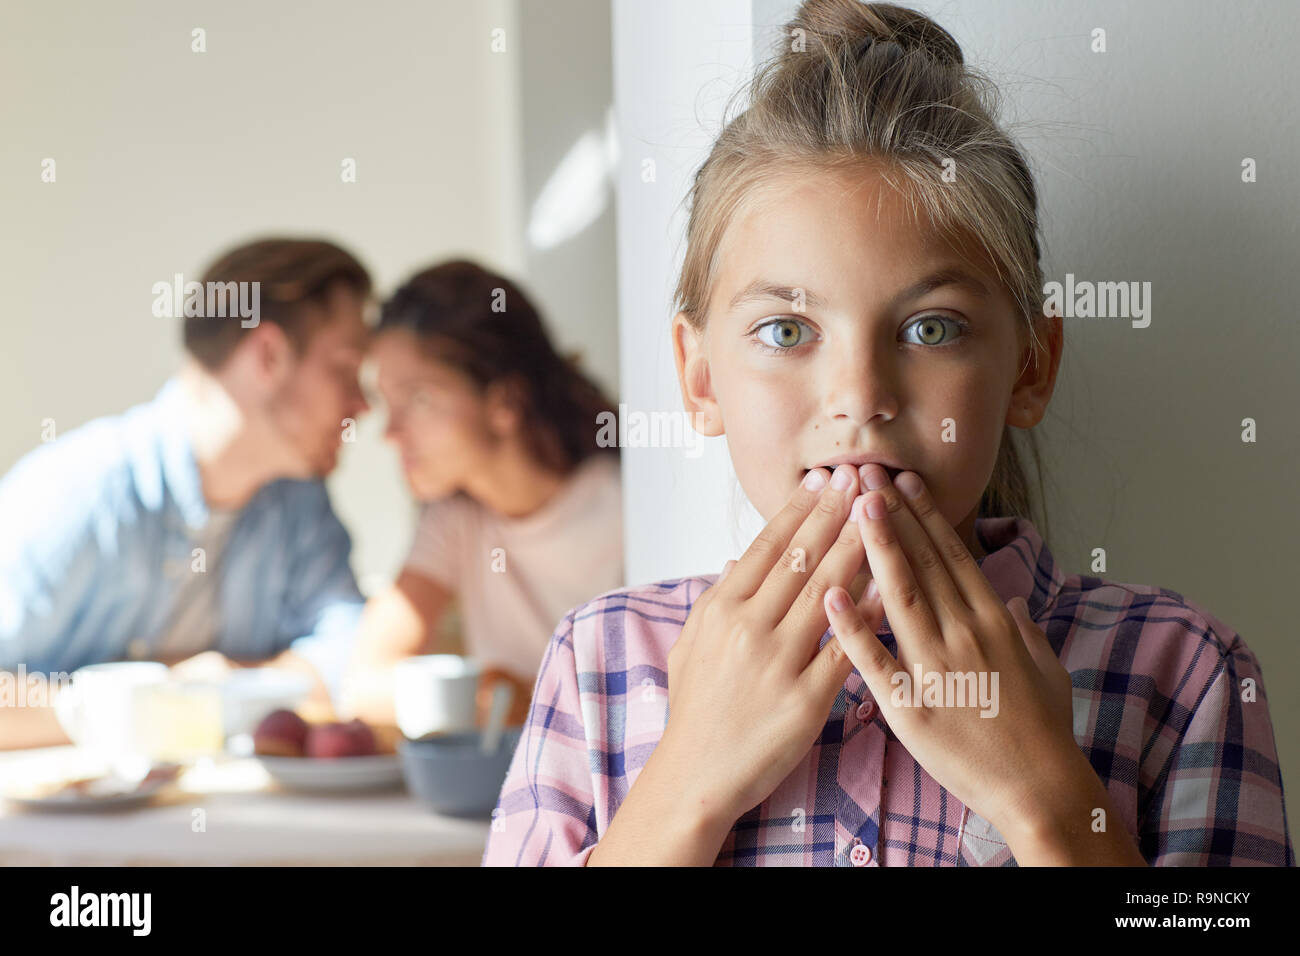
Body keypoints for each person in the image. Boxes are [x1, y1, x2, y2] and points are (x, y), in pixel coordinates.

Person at [482, 0, 1293, 866]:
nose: (861, 398)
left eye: (931, 328)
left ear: (1030, 366)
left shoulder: (1186, 673)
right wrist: (686, 786)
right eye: (786, 332)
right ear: (700, 377)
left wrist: (1048, 801)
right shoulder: (600, 665)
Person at [0, 237, 373, 749]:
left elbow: (354, 658)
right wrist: (151, 700)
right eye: (346, 370)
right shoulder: (80, 494)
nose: (364, 404)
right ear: (268, 356)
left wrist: (229, 681)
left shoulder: (300, 502)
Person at [339, 260, 622, 729]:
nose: (390, 433)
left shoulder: (621, 511)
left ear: (504, 402)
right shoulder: (456, 517)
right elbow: (364, 684)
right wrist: (488, 702)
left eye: (419, 399)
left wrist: (512, 700)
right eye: (388, 402)